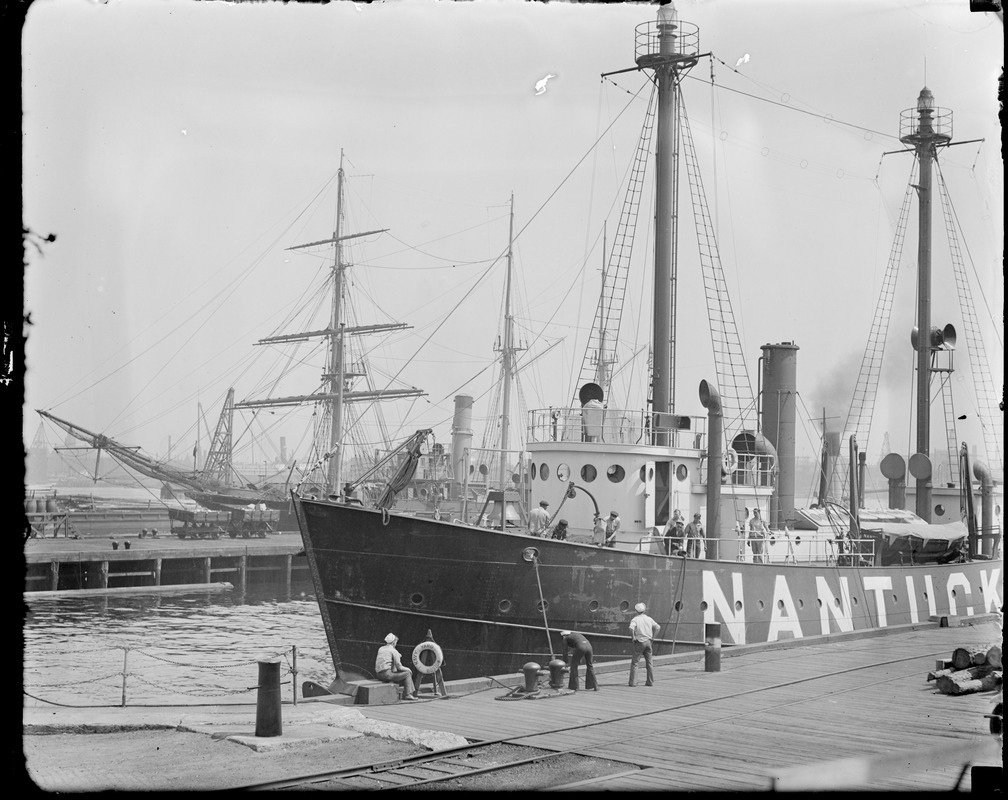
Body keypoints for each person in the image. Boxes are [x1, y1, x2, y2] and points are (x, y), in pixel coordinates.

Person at [374, 633, 418, 701]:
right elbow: (399, 667)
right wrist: (409, 669)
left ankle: (409, 692)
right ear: (394, 642)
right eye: (396, 642)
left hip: (379, 674)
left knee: (394, 670)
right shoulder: (394, 651)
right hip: (387, 675)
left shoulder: (381, 648)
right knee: (407, 674)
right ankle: (408, 694)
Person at [628, 602, 659, 687]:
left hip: (640, 642)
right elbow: (657, 627)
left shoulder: (635, 619)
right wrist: (653, 638)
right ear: (644, 610)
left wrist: (633, 637)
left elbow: (631, 628)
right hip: (648, 642)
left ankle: (633, 682)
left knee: (635, 663)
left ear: (636, 611)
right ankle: (650, 681)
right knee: (649, 662)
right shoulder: (649, 618)